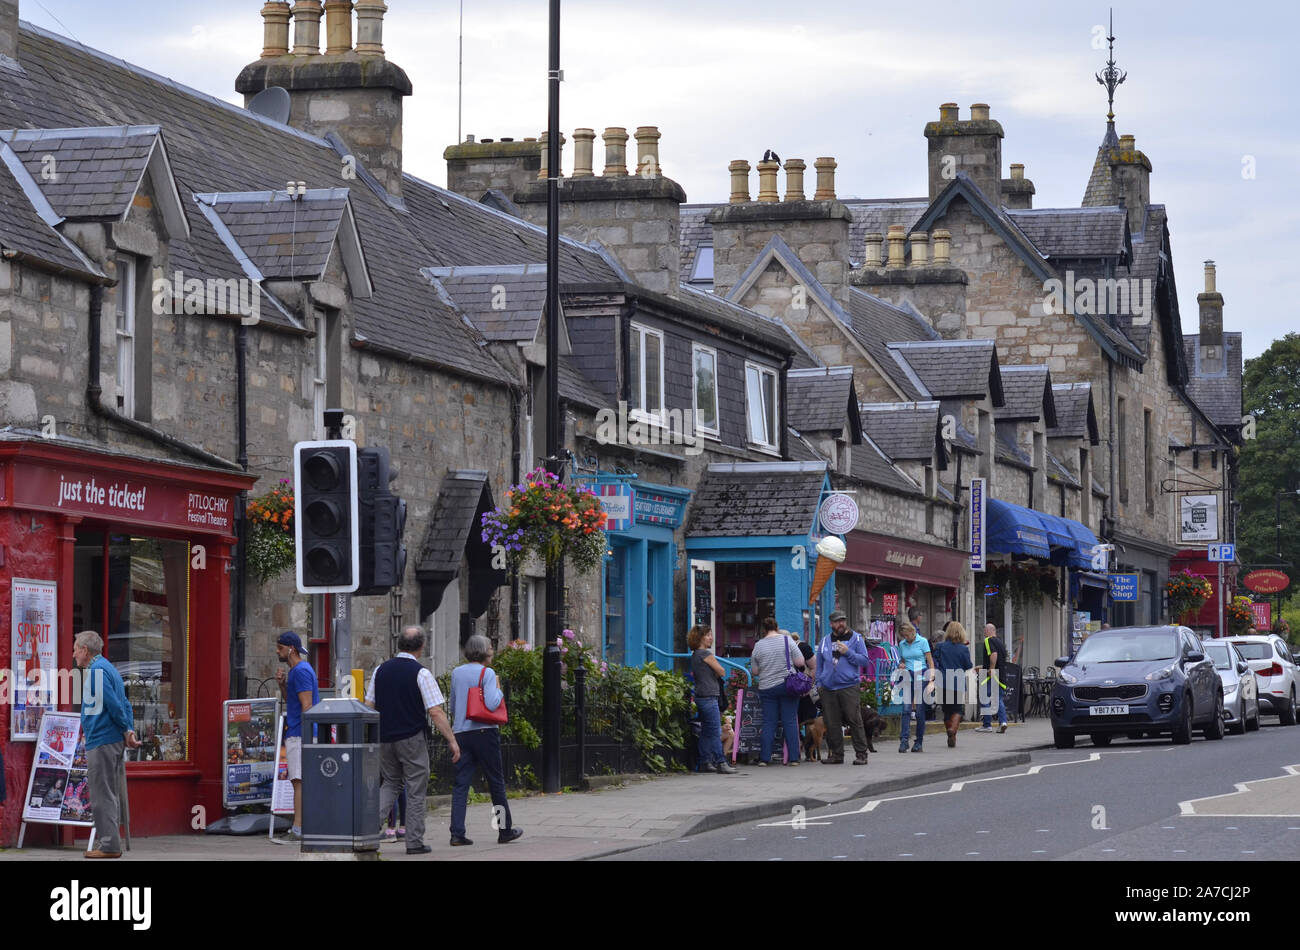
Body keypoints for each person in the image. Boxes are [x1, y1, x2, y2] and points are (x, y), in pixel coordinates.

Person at [365, 625, 460, 855]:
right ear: (421, 646)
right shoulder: (421, 673)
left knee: (390, 783)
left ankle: (366, 830)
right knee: (416, 787)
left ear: (399, 645)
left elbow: (368, 706)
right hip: (411, 738)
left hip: (385, 737)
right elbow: (435, 712)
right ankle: (414, 841)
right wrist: (452, 740)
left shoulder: (380, 670)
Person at [448, 635, 523, 847]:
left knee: (461, 783)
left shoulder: (456, 673)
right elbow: (490, 703)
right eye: (490, 648)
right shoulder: (487, 673)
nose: (492, 651)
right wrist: (498, 688)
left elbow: (453, 706)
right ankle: (504, 830)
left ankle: (457, 833)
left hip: (461, 732)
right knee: (495, 782)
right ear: (482, 651)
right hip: (485, 733)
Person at [71, 630, 140, 858]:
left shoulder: (97, 671)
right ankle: (110, 842)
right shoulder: (108, 668)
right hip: (109, 739)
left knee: (102, 794)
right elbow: (125, 704)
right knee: (109, 792)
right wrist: (127, 730)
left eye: (75, 649)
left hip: (102, 740)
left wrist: (125, 729)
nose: (73, 654)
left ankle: (109, 845)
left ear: (84, 650)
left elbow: (114, 705)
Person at [274, 631, 318, 841]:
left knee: (298, 781)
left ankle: (299, 828)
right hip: (300, 732)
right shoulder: (298, 671)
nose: (277, 651)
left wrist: (304, 735)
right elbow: (293, 700)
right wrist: (282, 685)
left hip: (300, 734)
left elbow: (306, 705)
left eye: (280, 647)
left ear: (291, 648)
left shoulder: (300, 671)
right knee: (300, 781)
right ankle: (303, 826)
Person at [816, 611, 872, 765]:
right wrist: (819, 683)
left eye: (842, 620)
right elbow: (819, 664)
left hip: (848, 686)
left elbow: (865, 660)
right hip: (828, 688)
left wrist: (848, 653)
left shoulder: (856, 639)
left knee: (854, 720)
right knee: (831, 721)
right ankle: (836, 755)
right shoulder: (825, 641)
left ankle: (861, 754)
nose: (840, 624)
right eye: (837, 621)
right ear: (831, 624)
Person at [748, 622, 805, 766]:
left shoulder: (758, 645)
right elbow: (800, 662)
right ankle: (793, 759)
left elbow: (754, 672)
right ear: (777, 628)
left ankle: (764, 759)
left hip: (767, 687)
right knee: (790, 721)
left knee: (769, 722)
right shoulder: (787, 640)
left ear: (764, 630)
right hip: (787, 686)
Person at [689, 624, 738, 774]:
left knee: (705, 732)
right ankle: (721, 762)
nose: (711, 637)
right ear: (700, 638)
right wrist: (715, 672)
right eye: (708, 635)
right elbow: (722, 671)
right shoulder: (705, 654)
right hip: (710, 696)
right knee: (715, 730)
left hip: (700, 696)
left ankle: (705, 762)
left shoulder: (695, 654)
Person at [932, 622, 973, 747]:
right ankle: (952, 730)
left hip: (943, 682)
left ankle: (951, 735)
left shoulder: (940, 646)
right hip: (957, 682)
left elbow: (935, 660)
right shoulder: (963, 649)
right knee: (957, 710)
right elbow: (968, 665)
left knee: (947, 711)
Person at [895, 622, 935, 752]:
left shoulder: (922, 641)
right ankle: (904, 740)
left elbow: (930, 661)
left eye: (907, 635)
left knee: (919, 711)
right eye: (904, 636)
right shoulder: (902, 644)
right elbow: (902, 660)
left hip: (920, 675)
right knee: (906, 710)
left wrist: (931, 679)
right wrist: (901, 664)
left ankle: (919, 741)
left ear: (912, 632)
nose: (906, 638)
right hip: (907, 676)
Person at [976, 622, 1009, 733]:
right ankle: (1003, 722)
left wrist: (991, 669)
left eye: (985, 630)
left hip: (991, 675)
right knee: (998, 699)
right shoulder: (1001, 643)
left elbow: (993, 655)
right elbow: (999, 659)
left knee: (985, 697)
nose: (984, 632)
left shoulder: (988, 641)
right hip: (1001, 675)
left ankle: (987, 725)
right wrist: (982, 667)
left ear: (991, 631)